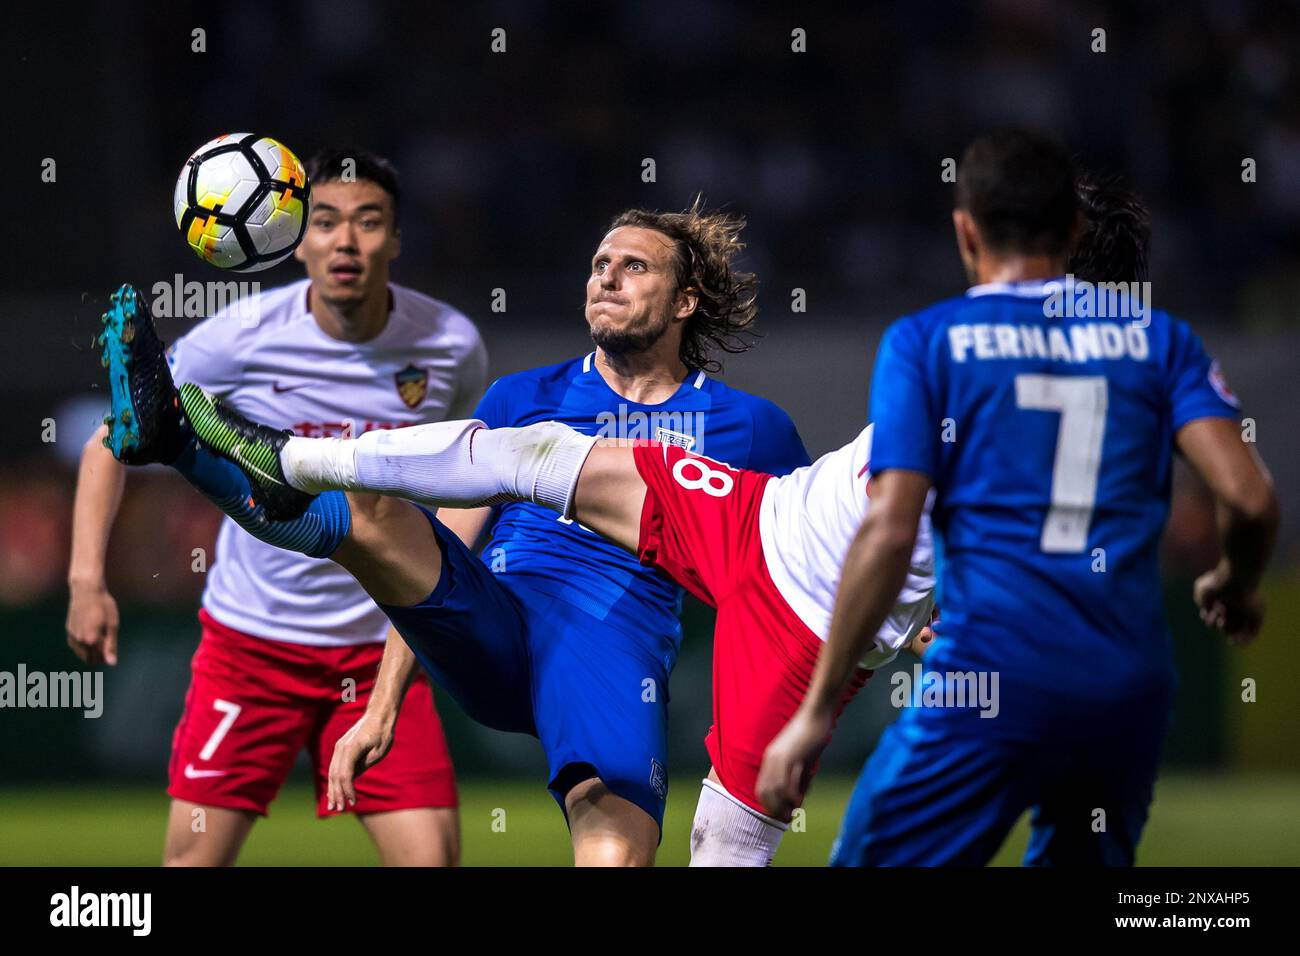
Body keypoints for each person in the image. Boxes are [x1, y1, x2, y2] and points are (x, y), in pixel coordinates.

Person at [98, 201, 814, 866]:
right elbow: (450, 541)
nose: (608, 279)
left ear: (685, 302)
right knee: (376, 509)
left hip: (607, 639)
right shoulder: (522, 397)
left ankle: (204, 447)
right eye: (600, 265)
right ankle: (182, 443)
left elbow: (805, 555)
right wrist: (379, 710)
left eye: (635, 267)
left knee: (615, 856)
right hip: (492, 618)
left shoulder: (748, 427)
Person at [756, 129, 1280, 866]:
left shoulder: (929, 342)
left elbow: (889, 531)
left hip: (989, 677)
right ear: (1071, 231)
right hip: (1125, 685)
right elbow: (1251, 500)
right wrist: (1237, 581)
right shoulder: (1163, 342)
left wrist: (816, 710)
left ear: (965, 230)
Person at [71, 147, 481, 866]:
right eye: (324, 222)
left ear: (396, 238)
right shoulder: (239, 339)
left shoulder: (449, 346)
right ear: (295, 238)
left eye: (368, 221)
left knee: (432, 861)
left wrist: (438, 596)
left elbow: (470, 478)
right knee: (192, 861)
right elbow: (112, 441)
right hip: (251, 645)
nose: (345, 241)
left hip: (379, 643)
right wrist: (84, 580)